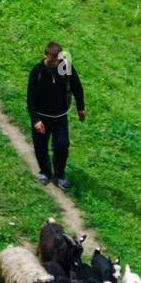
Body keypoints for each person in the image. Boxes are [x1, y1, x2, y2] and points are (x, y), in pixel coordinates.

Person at [26, 41, 85, 189]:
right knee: (41, 147)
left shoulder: (65, 67)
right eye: (53, 60)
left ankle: (60, 174)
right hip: (42, 116)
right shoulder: (37, 71)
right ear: (46, 55)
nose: (56, 63)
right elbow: (30, 99)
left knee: (62, 145)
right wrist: (35, 120)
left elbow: (77, 87)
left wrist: (81, 108)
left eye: (58, 60)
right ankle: (45, 172)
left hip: (60, 116)